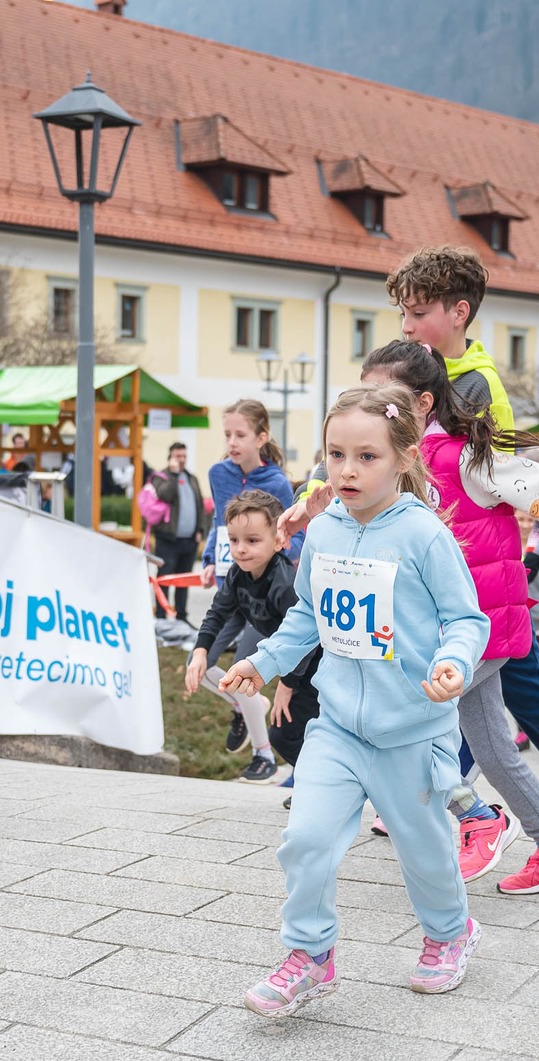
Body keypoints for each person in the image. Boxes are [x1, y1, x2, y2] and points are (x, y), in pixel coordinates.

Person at [220, 385, 489, 1014]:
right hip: (337, 727)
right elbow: (308, 616)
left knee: (424, 851)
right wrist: (261, 663)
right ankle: (310, 954)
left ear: (403, 457)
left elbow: (466, 619)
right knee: (306, 839)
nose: (346, 470)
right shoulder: (324, 531)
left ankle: (451, 933)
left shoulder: (423, 535)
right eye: (336, 454)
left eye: (366, 456)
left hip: (412, 730)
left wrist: (452, 664)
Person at [355, 339, 539, 893]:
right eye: (365, 395)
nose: (372, 408)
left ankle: (478, 816)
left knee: (406, 720)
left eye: (385, 398)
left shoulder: (462, 457)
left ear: (423, 403)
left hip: (481, 622)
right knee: (494, 748)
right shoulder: (393, 458)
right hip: (441, 629)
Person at [186, 490, 308, 783]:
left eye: (252, 541)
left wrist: (287, 686)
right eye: (234, 540)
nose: (240, 549)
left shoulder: (284, 584)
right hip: (287, 659)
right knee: (284, 734)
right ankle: (313, 789)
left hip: (310, 665)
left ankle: (320, 788)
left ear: (278, 540)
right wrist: (201, 652)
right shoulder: (238, 574)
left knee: (289, 734)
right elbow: (217, 614)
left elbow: (304, 639)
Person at [387, 244, 517, 434]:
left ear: (460, 313)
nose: (406, 328)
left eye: (419, 313)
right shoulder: (403, 374)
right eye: (403, 314)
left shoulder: (481, 385)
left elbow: (495, 454)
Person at [200, 400, 295, 589]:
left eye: (240, 435)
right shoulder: (217, 474)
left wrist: (268, 554)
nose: (232, 443)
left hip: (264, 584)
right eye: (227, 435)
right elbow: (219, 522)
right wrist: (210, 560)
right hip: (227, 579)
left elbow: (295, 536)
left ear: (261, 439)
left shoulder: (278, 483)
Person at [144, 441, 207, 623]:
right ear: (170, 457)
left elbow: (199, 505)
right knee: (164, 579)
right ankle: (161, 616)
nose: (181, 460)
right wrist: (172, 475)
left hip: (189, 540)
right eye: (178, 456)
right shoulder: (161, 477)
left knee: (183, 581)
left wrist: (200, 530)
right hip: (168, 539)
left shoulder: (191, 478)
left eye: (184, 456)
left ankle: (181, 617)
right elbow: (165, 495)